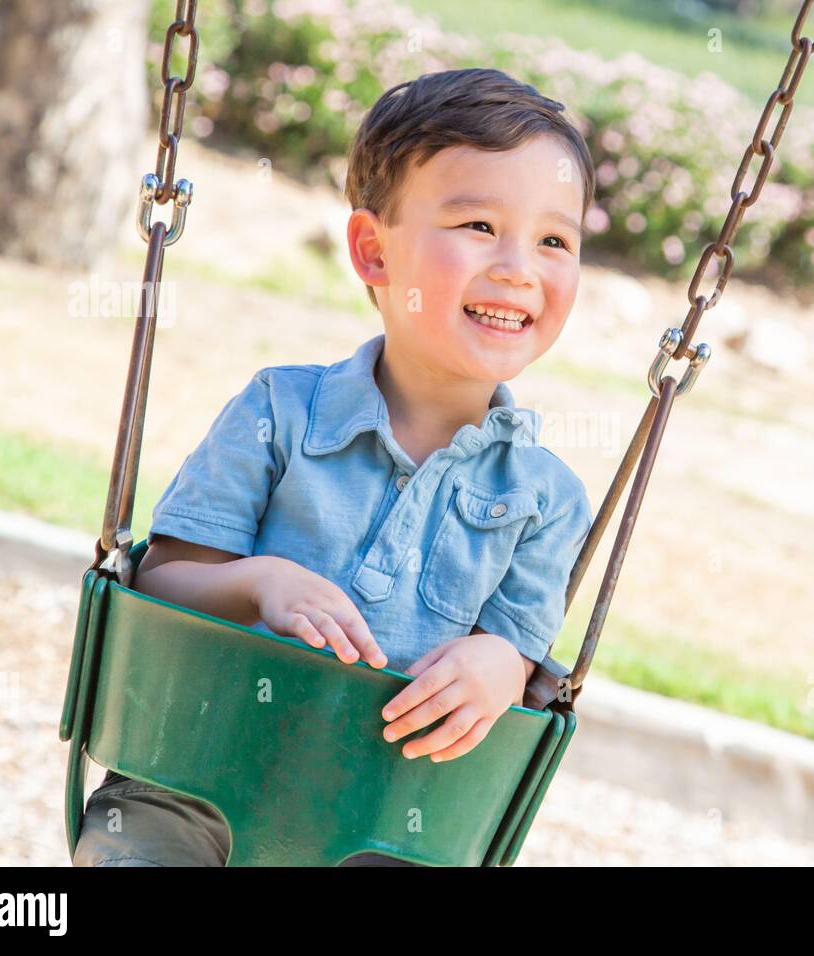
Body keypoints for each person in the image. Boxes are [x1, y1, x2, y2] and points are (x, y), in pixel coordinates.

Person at [73, 67, 596, 867]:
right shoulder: (279, 412)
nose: (520, 267)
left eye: (554, 240)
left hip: (384, 825)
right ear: (372, 250)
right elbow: (162, 581)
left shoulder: (546, 500)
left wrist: (499, 663)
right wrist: (260, 581)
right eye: (479, 226)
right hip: (187, 785)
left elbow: (520, 660)